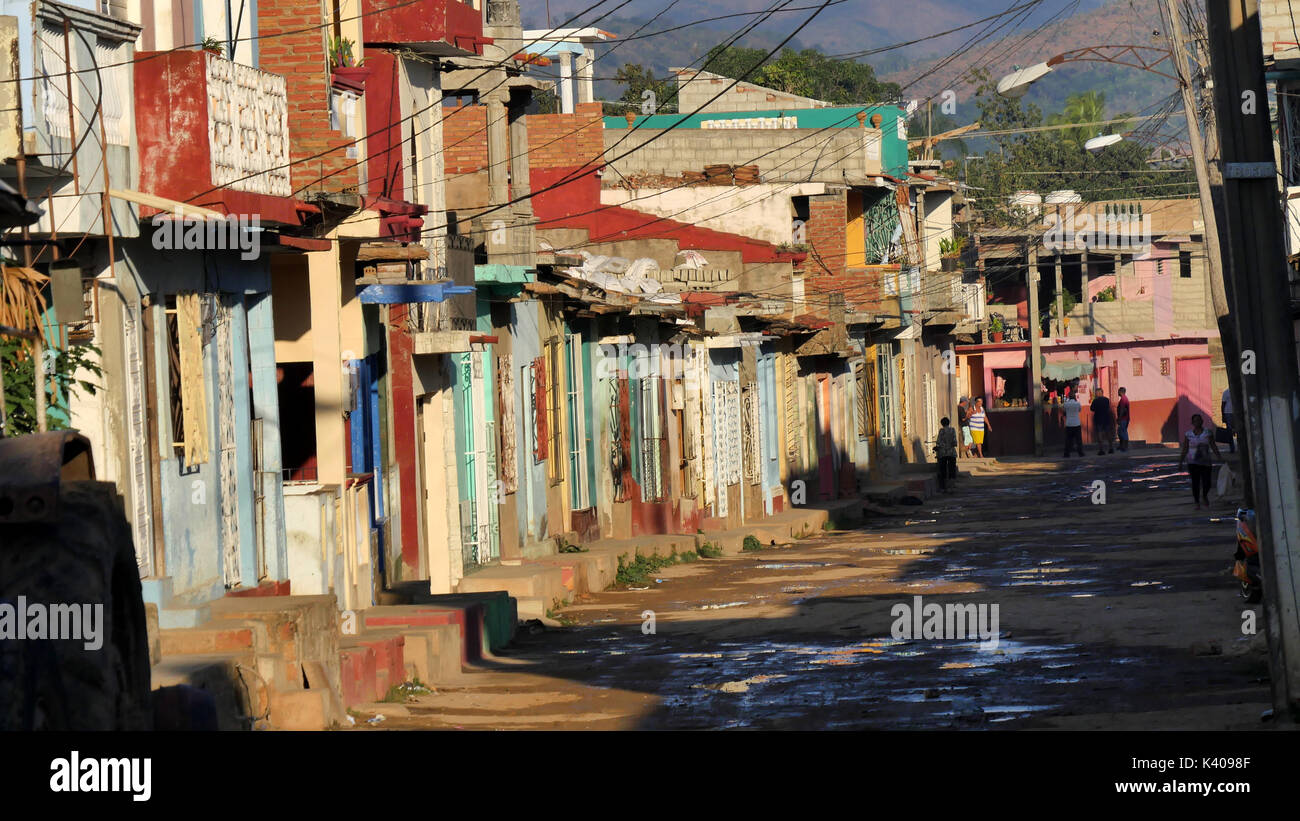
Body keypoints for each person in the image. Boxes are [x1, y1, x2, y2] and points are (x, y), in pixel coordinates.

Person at [1179, 413, 1222, 510]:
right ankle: (1197, 502)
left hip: (1206, 462)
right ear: (1192, 423)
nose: (1197, 422)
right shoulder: (1188, 434)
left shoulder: (1208, 433)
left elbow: (1213, 445)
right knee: (1195, 483)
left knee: (1207, 482)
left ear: (1202, 421)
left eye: (1199, 420)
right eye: (1195, 421)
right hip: (1192, 462)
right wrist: (1181, 462)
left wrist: (1219, 456)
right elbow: (1185, 448)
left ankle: (1204, 495)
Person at [935, 416, 958, 492]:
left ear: (942, 424)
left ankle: (945, 488)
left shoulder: (941, 431)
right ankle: (952, 487)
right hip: (951, 453)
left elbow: (938, 442)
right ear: (949, 423)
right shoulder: (952, 430)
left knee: (943, 469)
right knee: (952, 469)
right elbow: (955, 442)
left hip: (943, 453)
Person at [1090, 388, 1114, 455]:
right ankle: (1111, 448)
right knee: (1108, 433)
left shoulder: (1095, 400)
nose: (1096, 394)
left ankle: (1101, 450)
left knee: (1100, 434)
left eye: (1096, 393)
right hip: (1106, 418)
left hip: (1098, 419)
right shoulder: (1106, 400)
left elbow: (1092, 409)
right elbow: (1108, 408)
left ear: (1098, 393)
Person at [1063, 392, 1083, 457]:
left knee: (1068, 439)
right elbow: (1079, 410)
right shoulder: (1077, 404)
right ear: (1075, 397)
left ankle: (1066, 453)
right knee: (1078, 440)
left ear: (1068, 397)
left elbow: (1064, 412)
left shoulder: (1066, 404)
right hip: (1076, 423)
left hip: (1069, 423)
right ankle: (1080, 452)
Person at [1116, 386, 1131, 452]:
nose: (1118, 392)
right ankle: (1122, 446)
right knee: (1120, 432)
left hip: (1123, 419)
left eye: (1118, 391)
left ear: (1121, 392)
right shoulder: (1125, 398)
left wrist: (1119, 418)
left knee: (1123, 432)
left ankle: (1125, 447)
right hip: (1125, 418)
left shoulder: (1123, 399)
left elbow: (1122, 410)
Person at [1221, 386, 1236, 454]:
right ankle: (1232, 448)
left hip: (1228, 413)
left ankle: (1232, 448)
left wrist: (1223, 416)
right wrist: (1223, 416)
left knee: (1229, 431)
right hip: (1231, 413)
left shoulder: (1226, 392)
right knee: (1233, 431)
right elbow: (1223, 404)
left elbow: (1223, 405)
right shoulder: (1226, 392)